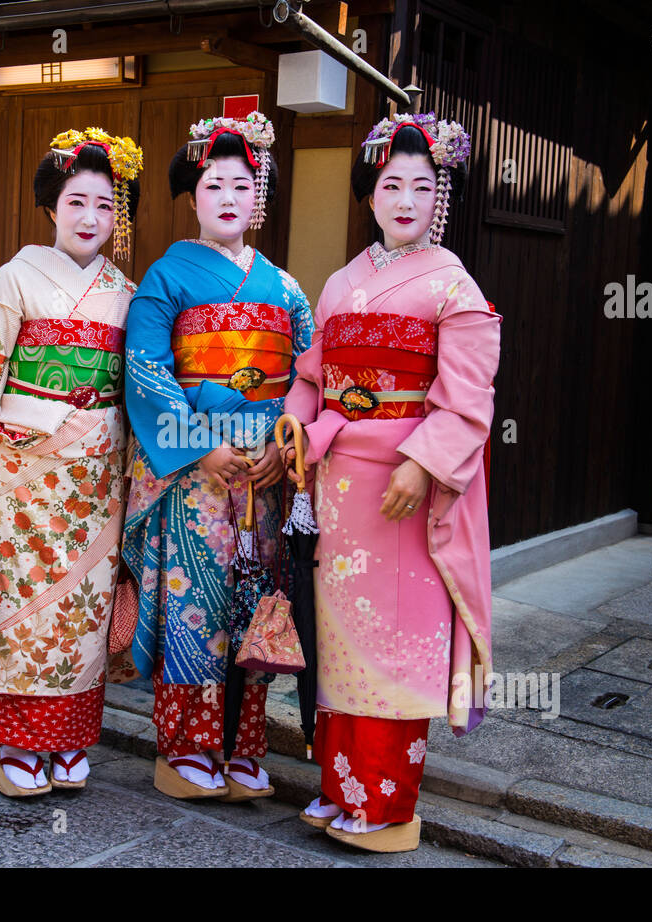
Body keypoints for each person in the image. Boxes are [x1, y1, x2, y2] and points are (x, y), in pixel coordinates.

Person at [281, 112, 500, 851]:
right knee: (343, 643)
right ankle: (340, 788)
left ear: (441, 197)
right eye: (390, 184)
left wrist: (424, 461)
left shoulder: (455, 288)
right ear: (369, 195)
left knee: (397, 642)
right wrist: (294, 423)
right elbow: (311, 376)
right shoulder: (344, 281)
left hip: (405, 487)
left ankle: (388, 803)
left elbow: (469, 399)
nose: (404, 199)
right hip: (342, 485)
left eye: (421, 185)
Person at [0, 127, 143, 796]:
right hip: (20, 475)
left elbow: (138, 381)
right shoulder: (15, 278)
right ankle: (15, 743)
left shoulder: (125, 291)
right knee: (21, 609)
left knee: (84, 610)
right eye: (76, 202)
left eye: (104, 204)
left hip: (96, 476)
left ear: (117, 214)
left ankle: (68, 740)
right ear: (52, 206)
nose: (90, 217)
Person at [123, 110, 314, 801]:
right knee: (196, 607)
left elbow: (309, 375)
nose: (228, 198)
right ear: (194, 197)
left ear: (257, 196)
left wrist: (287, 446)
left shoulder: (287, 289)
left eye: (241, 184)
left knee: (258, 603)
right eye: (214, 186)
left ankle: (243, 746)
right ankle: (185, 746)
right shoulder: (166, 277)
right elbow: (144, 365)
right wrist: (200, 447)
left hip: (262, 474)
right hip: (199, 474)